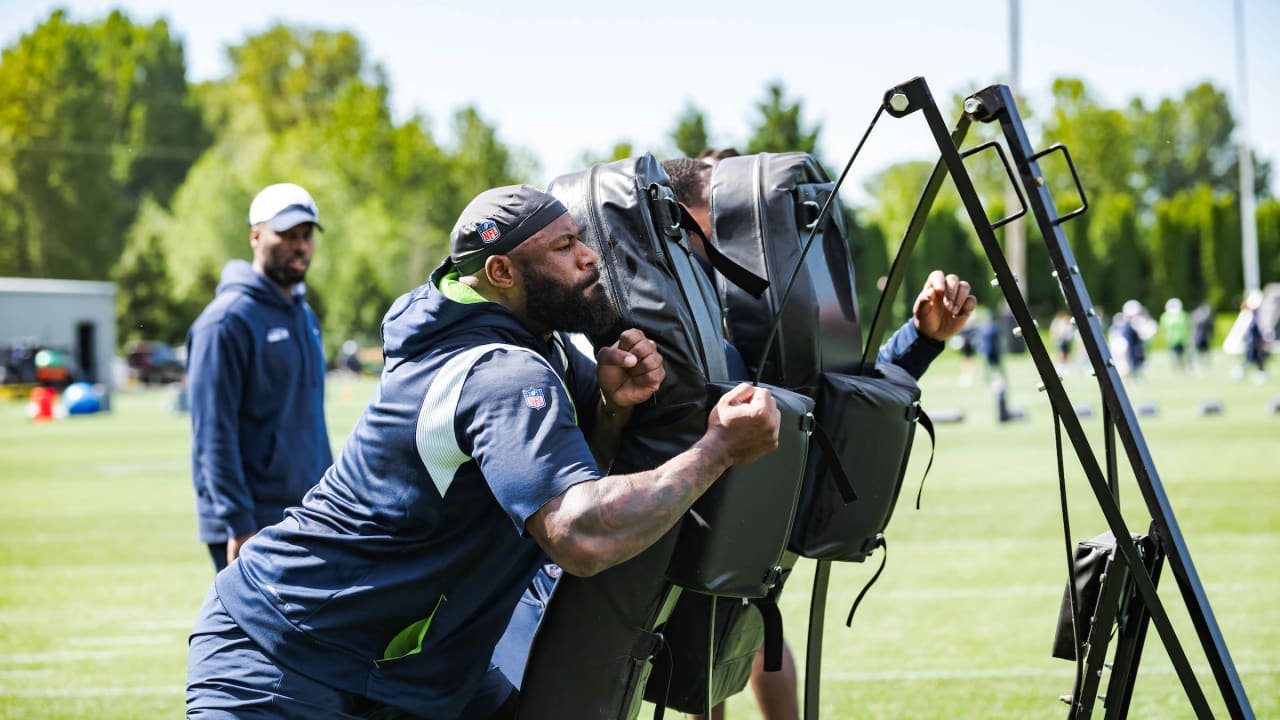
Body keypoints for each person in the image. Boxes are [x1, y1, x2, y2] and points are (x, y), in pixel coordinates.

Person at [186, 184, 783, 719]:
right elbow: (581, 535)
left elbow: (565, 472)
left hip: (412, 668)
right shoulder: (496, 371)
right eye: (564, 246)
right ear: (501, 271)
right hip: (281, 657)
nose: (590, 256)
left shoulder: (539, 350)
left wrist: (608, 410)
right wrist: (718, 450)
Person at [660, 157, 976, 720]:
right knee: (696, 652)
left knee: (741, 634)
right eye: (729, 218)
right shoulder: (664, 304)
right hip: (675, 530)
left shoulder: (764, 299)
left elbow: (830, 390)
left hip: (753, 530)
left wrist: (922, 340)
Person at [185, 182, 333, 573]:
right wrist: (238, 523)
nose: (300, 246)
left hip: (308, 511)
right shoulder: (225, 322)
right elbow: (212, 433)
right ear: (255, 236)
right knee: (258, 635)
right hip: (252, 521)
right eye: (286, 235)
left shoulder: (304, 315)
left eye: (306, 236)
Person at [1159, 298, 1190, 372]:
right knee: (1173, 355)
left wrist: (1187, 337)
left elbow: (1187, 327)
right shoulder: (1165, 316)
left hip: (1182, 339)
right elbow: (1163, 328)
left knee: (1182, 355)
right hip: (1171, 339)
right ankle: (1175, 369)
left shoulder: (1183, 315)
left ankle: (1182, 368)